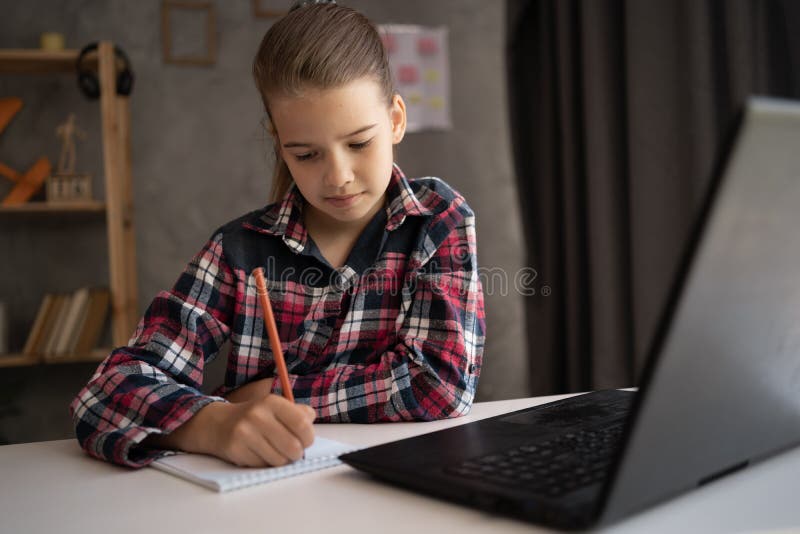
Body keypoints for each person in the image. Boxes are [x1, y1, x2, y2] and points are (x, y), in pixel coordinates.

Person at [70, 1, 485, 469]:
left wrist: (266, 393)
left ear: (395, 119)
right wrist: (211, 424)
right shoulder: (239, 250)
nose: (339, 176)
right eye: (306, 155)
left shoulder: (437, 222)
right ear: (279, 144)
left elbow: (440, 386)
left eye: (359, 143)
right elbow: (105, 393)